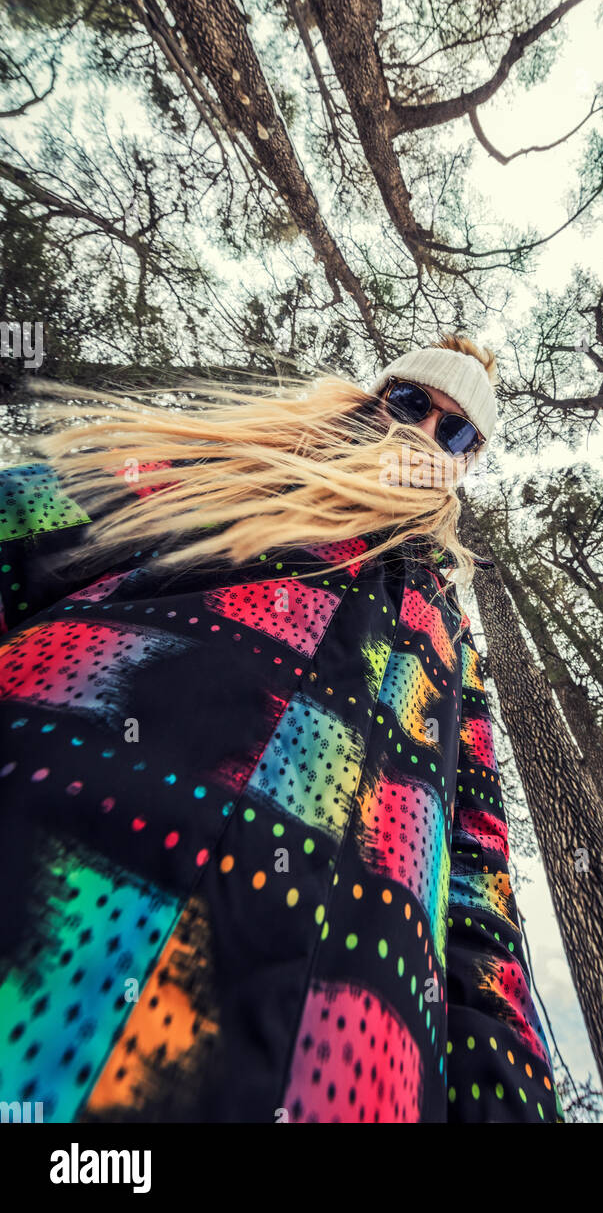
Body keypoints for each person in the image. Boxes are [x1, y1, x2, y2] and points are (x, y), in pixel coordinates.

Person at [0, 332, 564, 1123]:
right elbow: (22, 524)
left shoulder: (447, 631)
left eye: (458, 431)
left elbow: (474, 866)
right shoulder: (227, 468)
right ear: (378, 398)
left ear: (470, 458)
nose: (426, 434)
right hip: (48, 876)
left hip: (344, 1061)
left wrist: (504, 1096)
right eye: (412, 404)